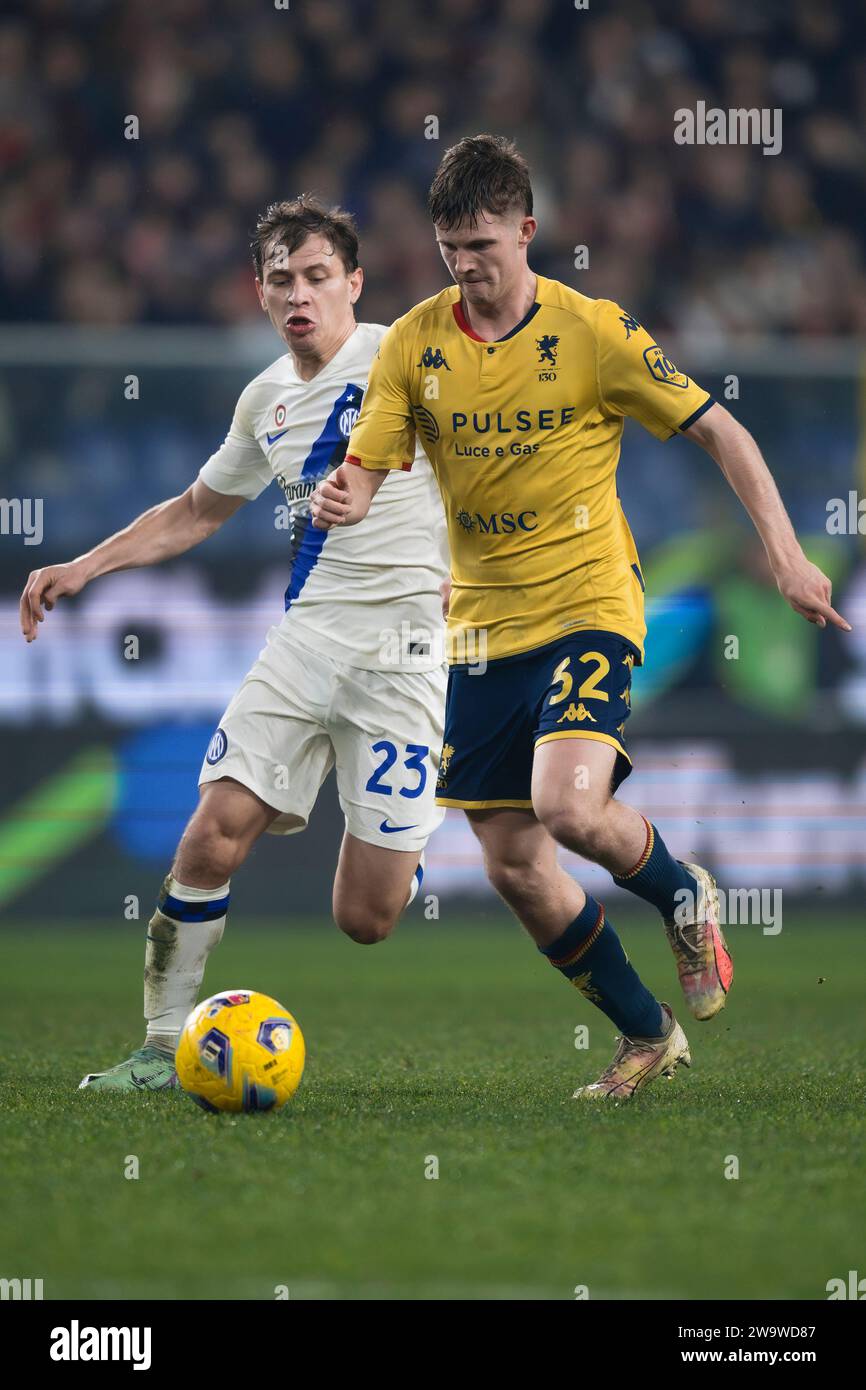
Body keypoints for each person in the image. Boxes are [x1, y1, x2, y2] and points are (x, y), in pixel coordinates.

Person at [311, 136, 850, 1101]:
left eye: (483, 244)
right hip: (481, 623)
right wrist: (344, 494)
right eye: (449, 249)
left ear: (527, 230)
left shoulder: (593, 331)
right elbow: (370, 463)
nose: (467, 266)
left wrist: (783, 553)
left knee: (565, 805)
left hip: (589, 599)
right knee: (516, 861)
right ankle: (647, 1034)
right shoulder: (412, 343)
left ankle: (680, 889)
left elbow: (721, 428)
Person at [20, 196, 449, 1093]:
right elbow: (195, 512)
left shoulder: (412, 353)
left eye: (318, 278)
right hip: (305, 640)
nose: (301, 295)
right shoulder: (266, 400)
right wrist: (87, 566)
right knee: (210, 836)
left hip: (407, 652)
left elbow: (495, 457)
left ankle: (404, 861)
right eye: (282, 280)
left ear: (354, 283)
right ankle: (160, 1046)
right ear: (259, 292)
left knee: (366, 919)